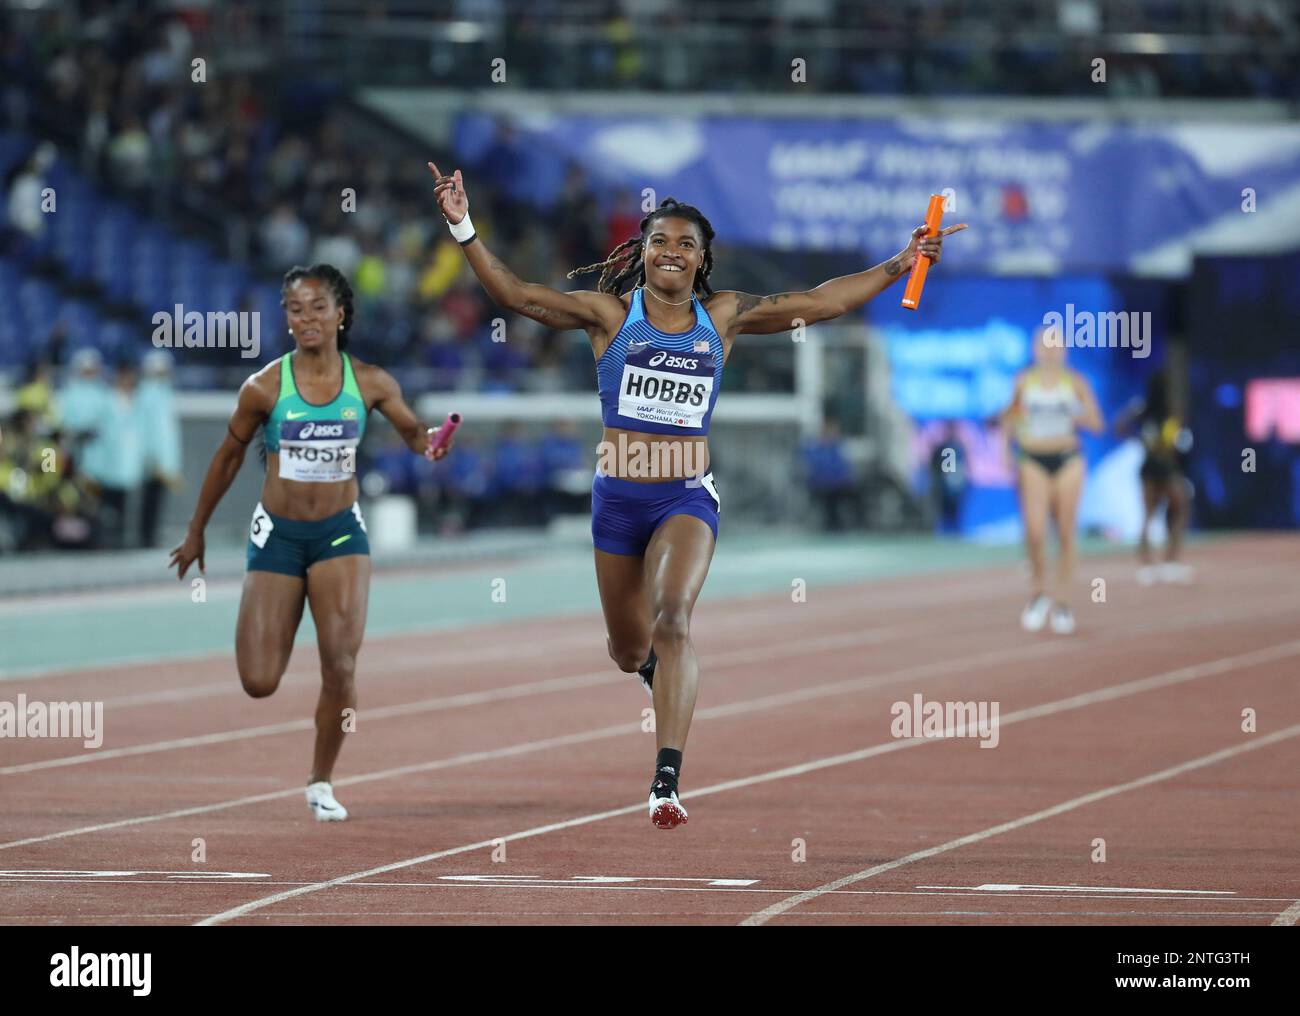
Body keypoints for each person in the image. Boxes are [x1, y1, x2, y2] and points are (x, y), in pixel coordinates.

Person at [428, 160, 964, 826]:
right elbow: (515, 295)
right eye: (660, 241)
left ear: (702, 258)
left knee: (674, 617)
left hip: (685, 497)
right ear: (642, 252)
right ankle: (654, 670)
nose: (672, 252)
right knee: (628, 651)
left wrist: (901, 260)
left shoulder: (725, 317)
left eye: (686, 243)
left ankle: (665, 781)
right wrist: (462, 225)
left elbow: (821, 302)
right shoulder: (606, 317)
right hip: (618, 501)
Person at [169, 264, 455, 822]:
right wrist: (196, 528)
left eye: (318, 307)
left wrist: (433, 444)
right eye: (296, 309)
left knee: (341, 665)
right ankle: (281, 628)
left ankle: (321, 780)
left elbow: (414, 434)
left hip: (339, 534)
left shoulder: (369, 381)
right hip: (277, 535)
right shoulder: (265, 387)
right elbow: (228, 458)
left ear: (340, 314)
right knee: (258, 681)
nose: (307, 319)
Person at [997, 326, 1103, 635]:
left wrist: (1076, 416)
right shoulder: (1023, 382)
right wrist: (1005, 450)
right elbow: (1009, 419)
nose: (1050, 351)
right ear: (1035, 349)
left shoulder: (1075, 383)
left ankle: (1064, 602)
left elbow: (1097, 423)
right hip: (1033, 459)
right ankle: (1038, 593)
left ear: (1064, 350)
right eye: (1045, 345)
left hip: (1068, 459)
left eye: (1056, 346)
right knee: (1035, 531)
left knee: (1066, 532)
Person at [1116, 369, 1193, 584]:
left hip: (1155, 468)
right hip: (1161, 469)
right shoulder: (1162, 412)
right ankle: (1163, 561)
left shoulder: (1148, 411)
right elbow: (1120, 427)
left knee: (1154, 514)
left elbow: (1120, 427)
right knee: (1175, 508)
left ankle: (1156, 563)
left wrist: (1139, 438)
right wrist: (1140, 439)